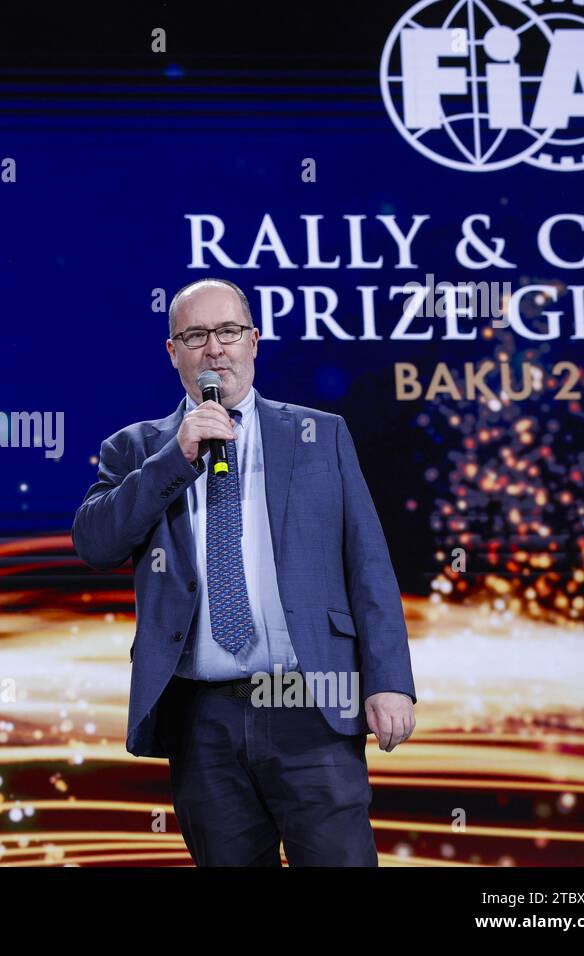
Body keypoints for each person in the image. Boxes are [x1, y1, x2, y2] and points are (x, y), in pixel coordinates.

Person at [72, 277, 416, 866]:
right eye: (196, 335)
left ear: (253, 341)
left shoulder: (319, 434)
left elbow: (369, 565)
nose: (215, 349)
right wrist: (173, 458)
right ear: (172, 351)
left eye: (228, 332)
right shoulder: (136, 448)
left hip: (310, 699)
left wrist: (389, 680)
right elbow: (95, 542)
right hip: (200, 713)